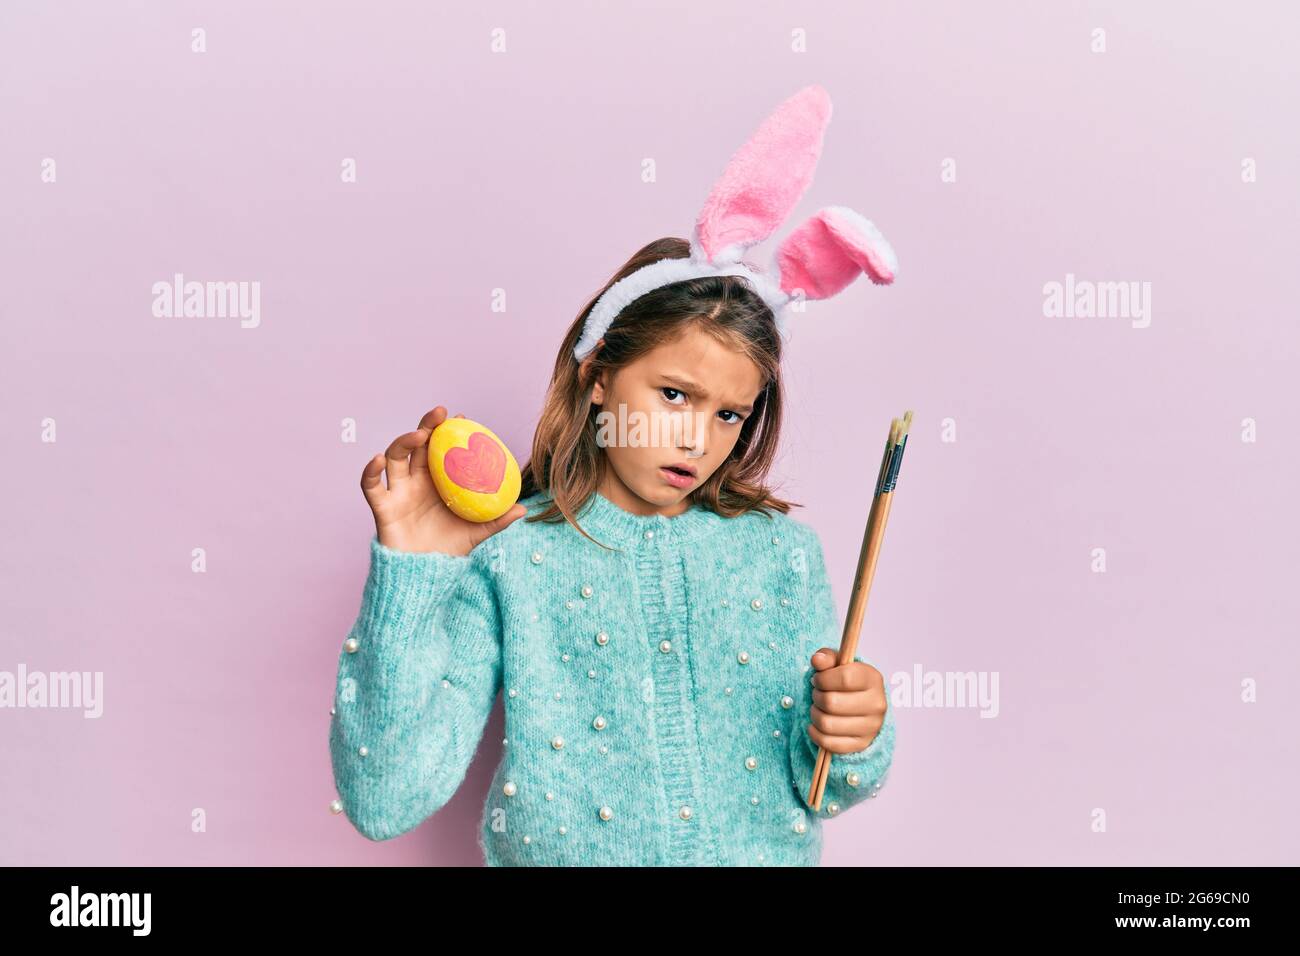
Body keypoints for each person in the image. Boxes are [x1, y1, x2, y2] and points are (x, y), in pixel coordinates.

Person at [328, 84, 899, 865]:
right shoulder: (513, 553)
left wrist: (856, 733)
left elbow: (821, 785)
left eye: (729, 414)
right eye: (674, 395)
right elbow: (386, 798)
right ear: (600, 374)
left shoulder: (782, 556)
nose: (697, 441)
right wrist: (417, 575)